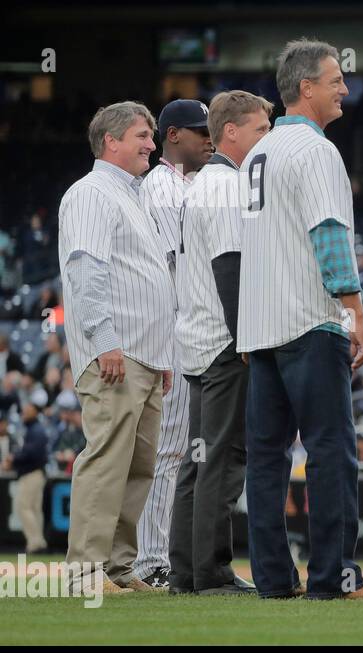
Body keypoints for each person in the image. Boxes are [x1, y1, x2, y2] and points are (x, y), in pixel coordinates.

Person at [237, 40, 363, 600]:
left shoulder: (257, 153)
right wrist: (354, 314)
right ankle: (332, 576)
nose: (344, 89)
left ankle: (274, 582)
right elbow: (329, 236)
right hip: (309, 320)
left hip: (260, 329)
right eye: (335, 80)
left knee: (267, 462)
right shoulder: (317, 151)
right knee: (330, 451)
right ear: (306, 88)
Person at [59, 101, 176, 593]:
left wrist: (163, 355)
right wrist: (104, 341)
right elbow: (88, 270)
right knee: (108, 458)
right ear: (111, 141)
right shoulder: (91, 193)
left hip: (145, 355)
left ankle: (117, 567)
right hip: (116, 354)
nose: (152, 144)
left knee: (138, 465)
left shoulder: (132, 195)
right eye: (143, 136)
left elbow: (145, 278)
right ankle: (85, 571)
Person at [133, 98, 212, 589]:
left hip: (196, 327)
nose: (210, 137)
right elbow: (169, 269)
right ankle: (151, 559)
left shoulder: (196, 184)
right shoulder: (161, 187)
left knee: (190, 450)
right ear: (173, 135)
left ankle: (180, 556)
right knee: (170, 449)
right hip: (175, 329)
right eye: (200, 130)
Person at [5, 402, 49, 553]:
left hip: (32, 473)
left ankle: (35, 543)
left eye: (28, 410)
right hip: (36, 473)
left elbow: (32, 453)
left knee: (23, 507)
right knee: (35, 509)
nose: (24, 413)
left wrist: (14, 459)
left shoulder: (36, 430)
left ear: (36, 412)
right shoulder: (34, 429)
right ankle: (39, 542)